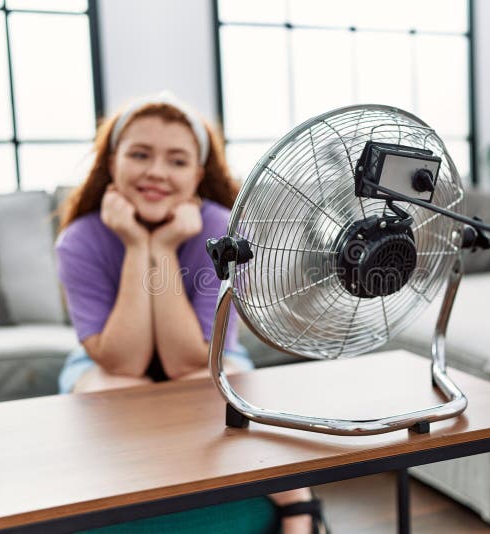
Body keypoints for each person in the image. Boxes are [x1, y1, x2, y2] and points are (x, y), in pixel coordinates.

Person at [55, 92, 326, 534]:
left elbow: (188, 361)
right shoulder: (79, 240)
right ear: (112, 163)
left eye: (177, 161)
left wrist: (162, 246)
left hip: (210, 359)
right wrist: (139, 245)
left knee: (219, 390)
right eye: (140, 154)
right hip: (106, 364)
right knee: (114, 388)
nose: (157, 172)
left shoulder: (224, 231)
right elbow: (124, 361)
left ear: (198, 175)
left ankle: (298, 503)